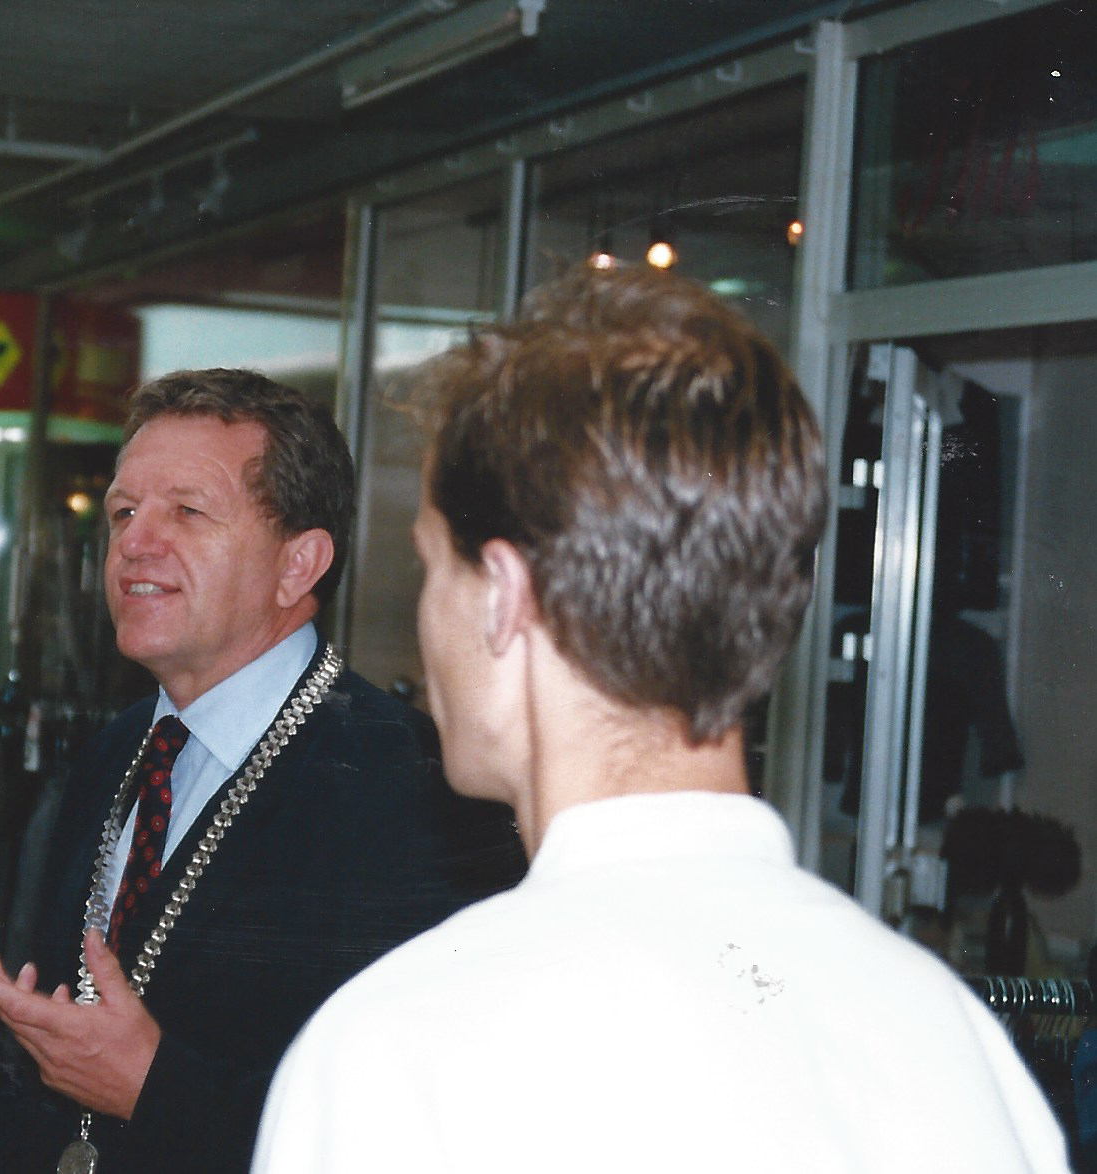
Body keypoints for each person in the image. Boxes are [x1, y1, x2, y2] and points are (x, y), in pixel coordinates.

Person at [253, 265, 1072, 1173]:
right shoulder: (949, 1038)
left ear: (505, 600)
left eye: (434, 566)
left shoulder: (396, 1051)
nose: (424, 615)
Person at [0, 369, 521, 1174]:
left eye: (187, 512)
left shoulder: (417, 785)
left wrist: (157, 1091)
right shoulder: (112, 753)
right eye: (125, 512)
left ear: (299, 565)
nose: (134, 543)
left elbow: (431, 1121)